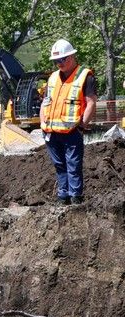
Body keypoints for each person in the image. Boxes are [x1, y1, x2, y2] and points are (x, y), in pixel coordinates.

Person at [39, 39, 97, 205]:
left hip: (72, 131)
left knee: (73, 164)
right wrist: (43, 120)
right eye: (56, 61)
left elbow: (91, 102)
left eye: (63, 59)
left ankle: (75, 196)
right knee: (59, 165)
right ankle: (63, 196)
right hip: (51, 131)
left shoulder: (85, 76)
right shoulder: (52, 78)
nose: (59, 63)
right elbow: (46, 101)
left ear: (72, 56)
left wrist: (82, 126)